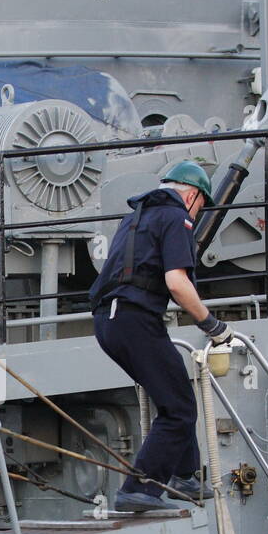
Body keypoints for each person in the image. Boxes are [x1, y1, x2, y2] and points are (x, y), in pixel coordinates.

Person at [88, 160, 234, 512]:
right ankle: (140, 488)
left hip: (108, 321)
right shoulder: (176, 217)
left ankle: (184, 475)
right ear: (193, 195)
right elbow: (177, 282)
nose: (199, 214)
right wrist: (212, 325)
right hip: (135, 319)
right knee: (179, 406)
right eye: (202, 206)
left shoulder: (137, 216)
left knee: (173, 395)